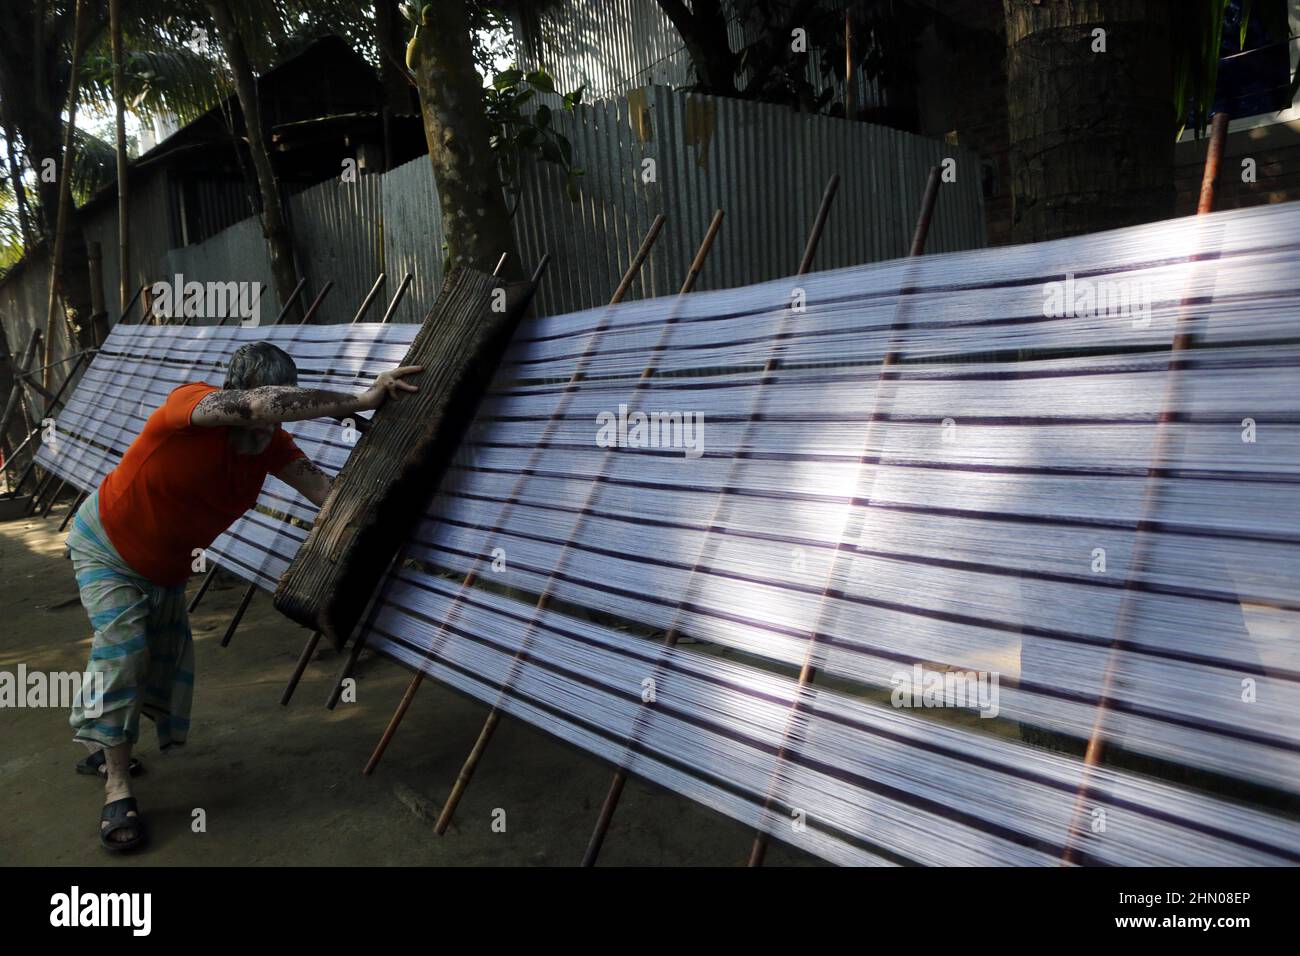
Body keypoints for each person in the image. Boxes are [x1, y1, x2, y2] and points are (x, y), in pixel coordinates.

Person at [67, 341, 421, 851]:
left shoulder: (273, 444)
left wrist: (402, 519)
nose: (263, 430)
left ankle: (100, 743)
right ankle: (117, 787)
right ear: (231, 397)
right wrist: (363, 399)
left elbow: (331, 498)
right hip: (107, 547)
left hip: (164, 571)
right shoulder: (189, 407)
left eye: (272, 422)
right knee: (124, 649)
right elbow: (260, 405)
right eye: (257, 414)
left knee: (153, 667)